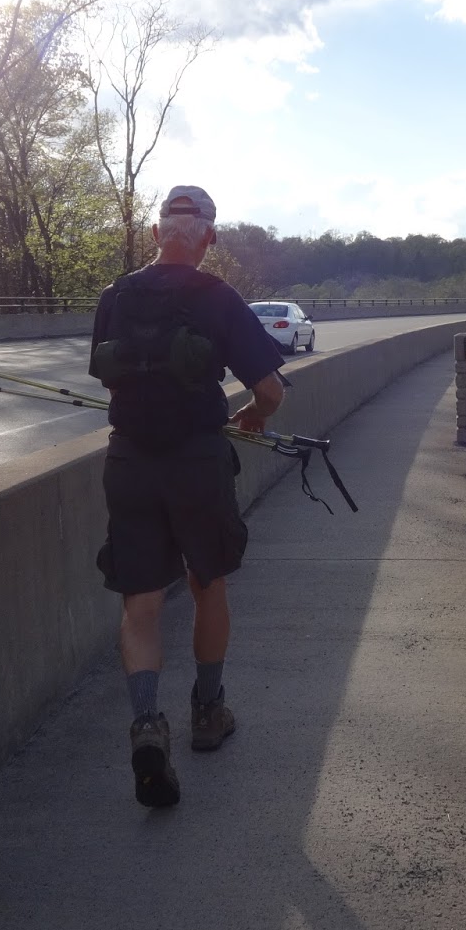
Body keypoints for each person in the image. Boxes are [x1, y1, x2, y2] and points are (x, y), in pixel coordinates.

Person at [89, 185, 286, 808]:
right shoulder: (219, 298)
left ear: (155, 235)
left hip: (129, 463)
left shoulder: (114, 297)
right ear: (209, 238)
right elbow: (272, 391)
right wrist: (252, 414)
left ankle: (147, 726)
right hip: (197, 464)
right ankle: (208, 711)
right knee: (209, 585)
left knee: (140, 604)